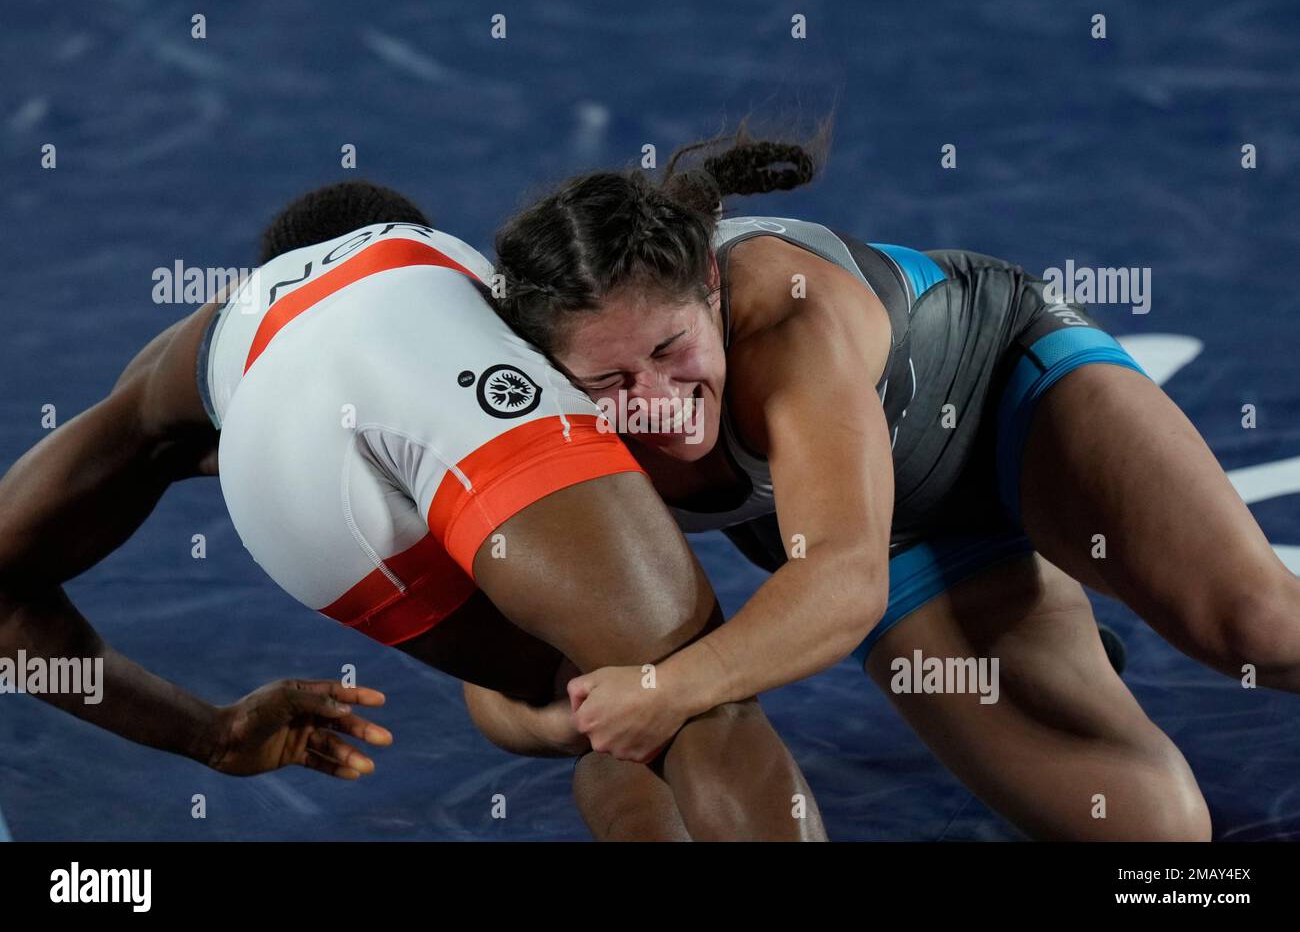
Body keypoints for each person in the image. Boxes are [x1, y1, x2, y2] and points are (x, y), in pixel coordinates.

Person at [490, 130, 1300, 840]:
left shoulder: (784, 319)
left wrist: (668, 687)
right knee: (1151, 828)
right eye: (612, 381)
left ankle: (1063, 599)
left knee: (1257, 627)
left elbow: (842, 582)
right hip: (901, 538)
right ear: (552, 373)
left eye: (672, 350)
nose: (659, 403)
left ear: (708, 280)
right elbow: (491, 679)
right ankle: (1045, 634)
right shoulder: (537, 427)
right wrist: (574, 710)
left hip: (1009, 400)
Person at [0, 180, 823, 841]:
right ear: (409, 229)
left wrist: (211, 734)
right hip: (418, 383)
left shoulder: (182, 355)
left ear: (272, 270)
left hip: (279, 488)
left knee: (603, 703)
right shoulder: (447, 274)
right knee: (688, 695)